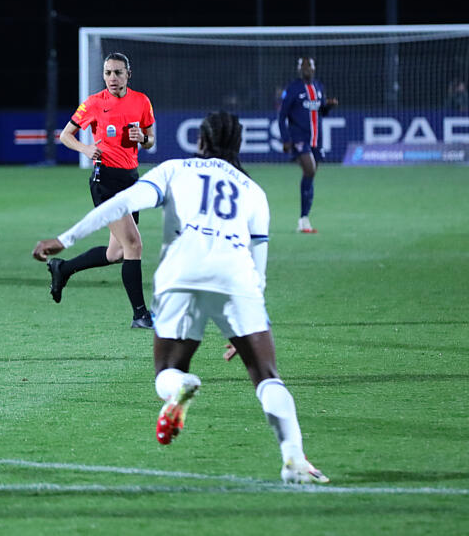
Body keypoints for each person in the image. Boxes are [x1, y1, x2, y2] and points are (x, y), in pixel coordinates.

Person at [33, 111, 329, 484]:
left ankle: (179, 386)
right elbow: (259, 263)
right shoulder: (253, 191)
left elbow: (120, 203)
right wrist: (250, 321)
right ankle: (295, 461)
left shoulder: (174, 170)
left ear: (201, 142)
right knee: (266, 376)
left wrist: (65, 238)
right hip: (236, 279)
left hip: (181, 274)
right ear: (238, 146)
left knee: (168, 371)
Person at [51, 52, 156, 329]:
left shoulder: (142, 101)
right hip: (105, 181)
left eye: (118, 72)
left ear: (128, 74)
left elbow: (150, 140)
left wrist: (143, 138)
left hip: (131, 181)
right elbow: (65, 135)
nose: (112, 77)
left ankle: (63, 268)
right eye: (108, 72)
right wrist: (86, 149)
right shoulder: (94, 103)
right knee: (134, 245)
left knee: (117, 253)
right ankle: (140, 315)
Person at [278, 57, 337, 234]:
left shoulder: (318, 87)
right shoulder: (293, 89)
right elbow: (282, 116)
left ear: (314, 69)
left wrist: (328, 106)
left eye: (309, 66)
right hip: (299, 138)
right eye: (303, 66)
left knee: (310, 176)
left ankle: (304, 218)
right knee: (310, 170)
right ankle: (303, 218)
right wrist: (286, 139)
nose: (307, 69)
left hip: (316, 139)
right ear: (299, 70)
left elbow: (321, 112)